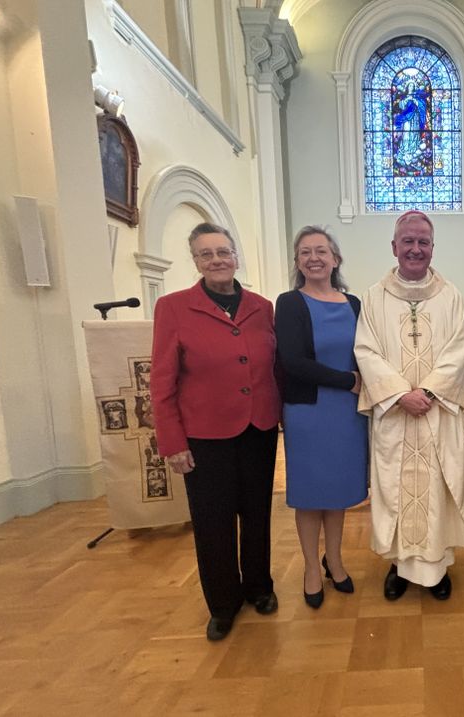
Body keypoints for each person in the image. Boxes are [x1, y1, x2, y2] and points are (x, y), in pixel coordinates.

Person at [151, 222, 281, 641]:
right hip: (204, 436)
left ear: (236, 256)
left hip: (258, 427)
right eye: (206, 254)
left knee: (257, 514)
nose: (217, 260)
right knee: (213, 522)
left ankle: (259, 587)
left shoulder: (262, 307)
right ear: (195, 261)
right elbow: (162, 382)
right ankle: (223, 604)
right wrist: (172, 442)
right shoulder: (173, 308)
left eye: (223, 252)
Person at [354, 210, 464, 601]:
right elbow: (366, 350)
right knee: (395, 488)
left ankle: (437, 569)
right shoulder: (374, 297)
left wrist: (425, 392)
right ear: (394, 247)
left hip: (437, 412)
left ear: (432, 247)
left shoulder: (451, 295)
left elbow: (458, 351)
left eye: (423, 241)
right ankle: (399, 567)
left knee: (438, 487)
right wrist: (397, 394)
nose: (415, 248)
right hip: (395, 414)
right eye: (407, 241)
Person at [275, 226, 367, 610]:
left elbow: (367, 353)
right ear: (298, 262)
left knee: (339, 493)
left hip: (348, 415)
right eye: (305, 253)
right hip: (309, 412)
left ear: (335, 258)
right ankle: (312, 568)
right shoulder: (290, 302)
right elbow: (293, 362)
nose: (314, 258)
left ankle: (337, 560)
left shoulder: (354, 303)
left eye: (321, 251)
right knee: (311, 496)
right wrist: (347, 381)